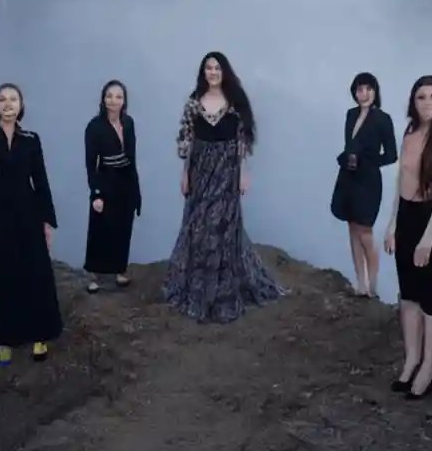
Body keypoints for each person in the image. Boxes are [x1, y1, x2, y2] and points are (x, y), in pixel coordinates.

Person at [162, 51, 283, 323]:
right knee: (200, 224)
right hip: (201, 169)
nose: (213, 72)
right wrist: (185, 174)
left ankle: (224, 290)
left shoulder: (236, 102)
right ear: (203, 72)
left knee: (224, 225)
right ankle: (199, 286)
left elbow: (242, 140)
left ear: (224, 71)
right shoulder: (194, 102)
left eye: (217, 67)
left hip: (228, 169)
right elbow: (187, 139)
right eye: (208, 68)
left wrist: (243, 173)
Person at [0, 83, 62, 366]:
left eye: (13, 99)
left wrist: (48, 220)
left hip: (28, 210)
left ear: (21, 105)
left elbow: (41, 181)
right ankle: (5, 339)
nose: (8, 104)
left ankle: (39, 336)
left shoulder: (32, 139)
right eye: (2, 99)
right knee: (1, 274)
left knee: (35, 271)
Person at [383, 75, 432, 401]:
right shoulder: (409, 133)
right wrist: (391, 226)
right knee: (408, 295)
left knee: (429, 298)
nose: (427, 103)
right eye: (421, 97)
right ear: (413, 102)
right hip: (406, 219)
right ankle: (412, 358)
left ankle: (429, 365)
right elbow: (401, 181)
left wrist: (427, 241)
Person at [330, 72, 398, 298]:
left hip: (368, 180)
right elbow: (350, 145)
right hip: (348, 177)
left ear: (375, 91)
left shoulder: (383, 119)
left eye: (368, 89)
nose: (364, 93)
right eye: (360, 89)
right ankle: (360, 282)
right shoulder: (350, 115)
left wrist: (366, 162)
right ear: (354, 92)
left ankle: (373, 284)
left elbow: (391, 155)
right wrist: (347, 157)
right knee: (351, 227)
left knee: (365, 231)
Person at [83, 79, 143, 294]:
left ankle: (119, 270)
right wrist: (96, 194)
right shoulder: (94, 126)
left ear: (124, 100)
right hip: (105, 177)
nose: (113, 100)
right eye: (109, 96)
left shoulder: (129, 123)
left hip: (126, 179)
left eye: (118, 96)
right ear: (103, 99)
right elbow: (91, 163)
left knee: (123, 226)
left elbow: (132, 158)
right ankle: (94, 274)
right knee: (100, 227)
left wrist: (136, 191)